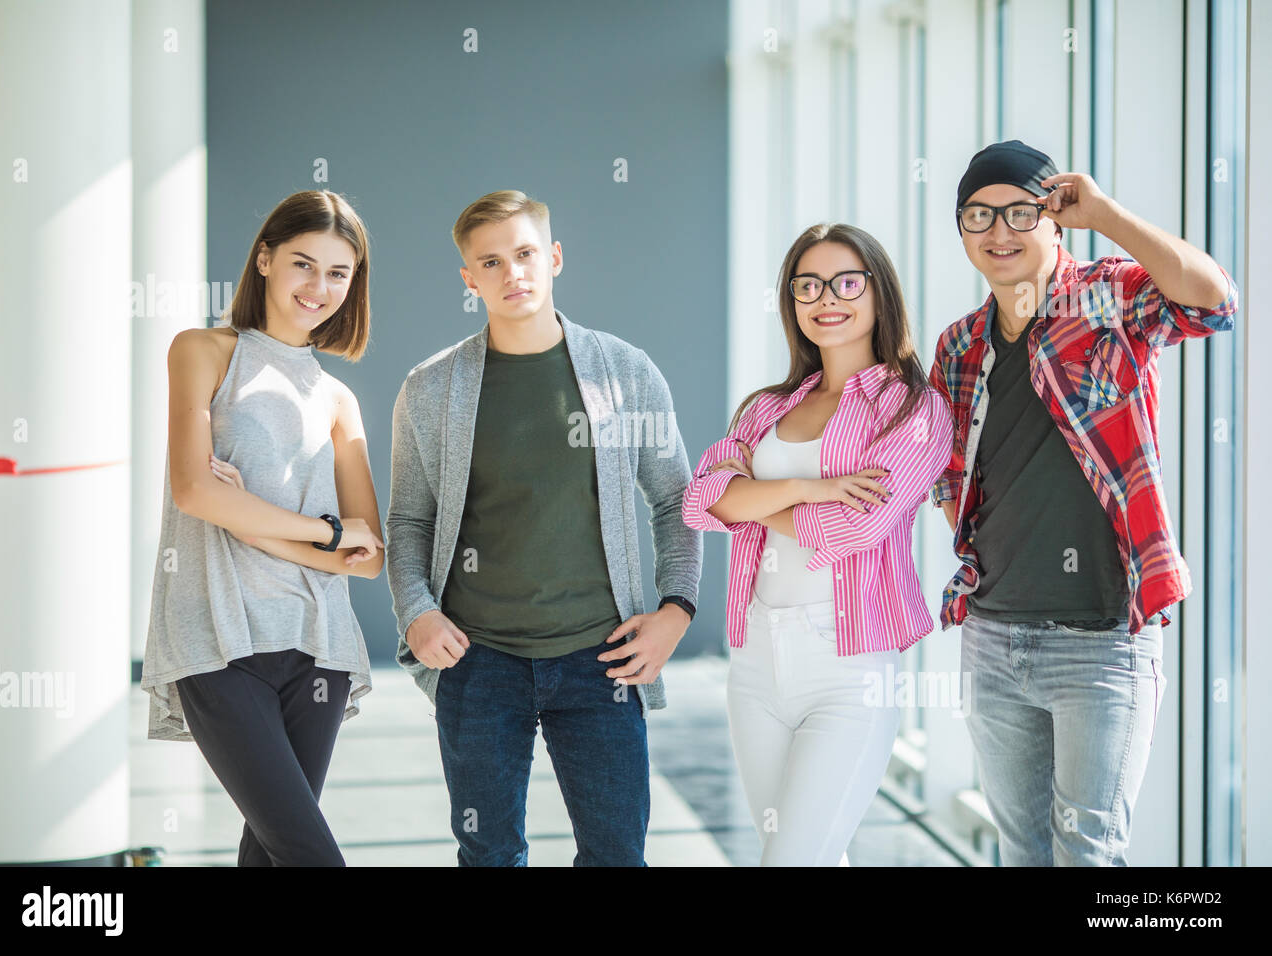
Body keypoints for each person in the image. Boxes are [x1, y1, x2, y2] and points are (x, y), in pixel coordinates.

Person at [928, 140, 1238, 866]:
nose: (998, 231)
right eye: (978, 215)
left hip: (1102, 640)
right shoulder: (959, 348)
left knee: (1089, 853)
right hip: (994, 636)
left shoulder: (1106, 298)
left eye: (1017, 212)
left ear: (1055, 221)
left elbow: (1213, 300)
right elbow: (947, 473)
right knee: (1022, 850)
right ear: (962, 230)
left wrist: (1107, 214)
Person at [385, 189, 702, 866]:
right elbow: (410, 518)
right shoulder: (431, 389)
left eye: (526, 254)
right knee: (489, 854)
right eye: (491, 263)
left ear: (554, 256)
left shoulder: (625, 373)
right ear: (469, 279)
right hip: (480, 661)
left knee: (617, 854)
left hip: (602, 657)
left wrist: (677, 610)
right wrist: (415, 611)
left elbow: (677, 499)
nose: (513, 274)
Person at [682, 223, 953, 866]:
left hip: (848, 665)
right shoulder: (765, 409)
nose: (825, 297)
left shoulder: (912, 409)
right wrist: (814, 485)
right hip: (754, 665)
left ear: (879, 294)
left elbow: (853, 529)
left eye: (845, 282)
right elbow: (702, 498)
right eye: (808, 285)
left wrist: (758, 500)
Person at [141, 190, 384, 866]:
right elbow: (193, 490)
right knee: (309, 854)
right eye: (304, 264)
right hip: (217, 638)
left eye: (339, 273)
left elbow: (367, 555)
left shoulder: (338, 399)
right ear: (265, 258)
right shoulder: (204, 351)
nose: (320, 287)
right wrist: (323, 536)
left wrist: (262, 529)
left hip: (317, 647)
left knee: (273, 853)